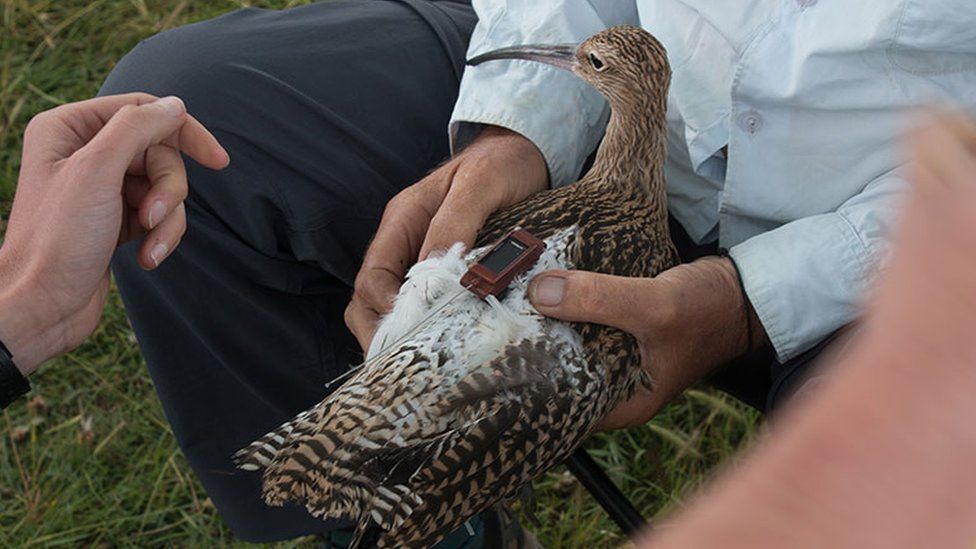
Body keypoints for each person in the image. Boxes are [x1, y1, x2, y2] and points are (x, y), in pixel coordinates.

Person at [85, 0, 975, 543]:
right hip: (601, 101)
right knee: (184, 114)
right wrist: (514, 129)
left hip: (905, 240)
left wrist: (757, 298)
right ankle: (409, 520)